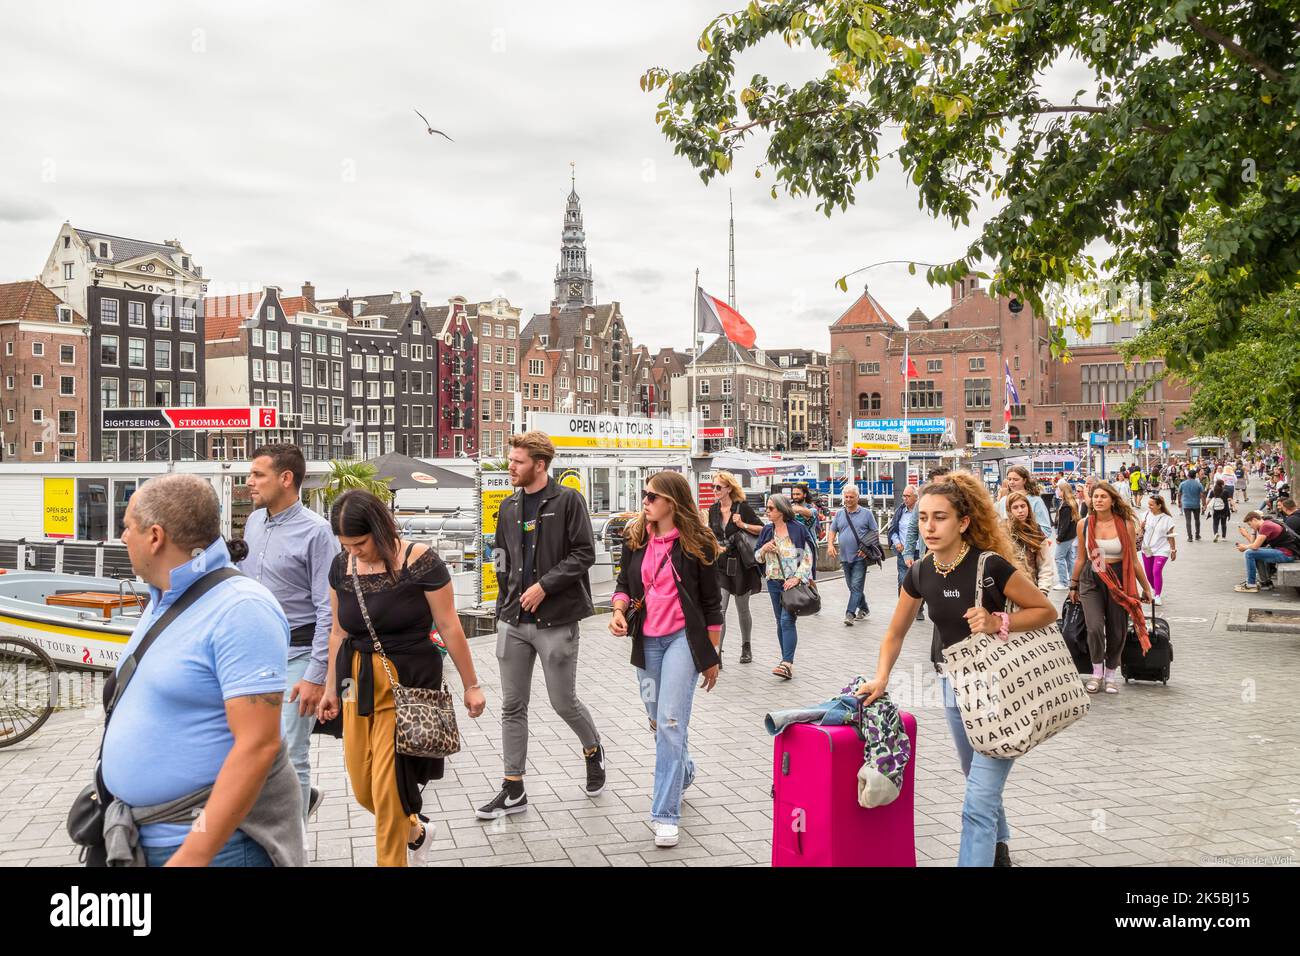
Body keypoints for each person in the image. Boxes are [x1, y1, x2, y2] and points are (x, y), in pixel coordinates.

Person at [856, 471, 1058, 867]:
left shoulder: (991, 566)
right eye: (924, 517)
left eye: (940, 517)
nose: (929, 526)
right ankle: (999, 846)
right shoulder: (920, 572)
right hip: (951, 685)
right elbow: (895, 633)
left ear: (963, 522)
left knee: (976, 804)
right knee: (972, 772)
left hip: (1000, 689)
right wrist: (881, 676)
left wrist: (1000, 621)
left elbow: (1045, 611)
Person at [104, 473, 303, 867]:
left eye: (127, 527)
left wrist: (193, 854)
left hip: (217, 852)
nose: (123, 538)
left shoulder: (241, 609)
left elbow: (258, 744)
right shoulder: (163, 599)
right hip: (150, 839)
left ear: (155, 536)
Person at [317, 490, 484, 867]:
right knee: (364, 788)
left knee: (389, 790)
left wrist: (472, 684)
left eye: (360, 543)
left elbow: (449, 625)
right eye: (347, 545)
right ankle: (417, 832)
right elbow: (338, 632)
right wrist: (329, 688)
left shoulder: (421, 561)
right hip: (355, 681)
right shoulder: (340, 566)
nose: (354, 551)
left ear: (379, 528)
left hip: (407, 682)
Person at [477, 430, 605, 820]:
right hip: (513, 621)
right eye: (510, 460)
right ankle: (513, 787)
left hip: (556, 620)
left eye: (517, 461)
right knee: (512, 705)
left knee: (562, 702)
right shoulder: (510, 506)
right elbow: (499, 556)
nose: (510, 467)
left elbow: (585, 553)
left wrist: (544, 587)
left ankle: (593, 747)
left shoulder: (567, 501)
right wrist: (504, 604)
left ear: (540, 464)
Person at [609, 471, 723, 849]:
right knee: (659, 721)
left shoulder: (698, 544)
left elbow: (711, 605)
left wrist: (711, 656)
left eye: (652, 496)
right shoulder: (636, 537)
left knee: (672, 724)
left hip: (682, 642)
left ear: (672, 502)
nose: (645, 500)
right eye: (644, 494)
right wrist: (618, 610)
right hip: (647, 642)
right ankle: (683, 770)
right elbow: (625, 584)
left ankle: (665, 815)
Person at [241, 443, 338, 823]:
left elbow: (328, 609)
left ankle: (292, 849)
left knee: (290, 752)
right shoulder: (252, 523)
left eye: (257, 475)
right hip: (255, 655)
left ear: (286, 479)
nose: (249, 482)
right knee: (255, 748)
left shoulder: (317, 532)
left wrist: (317, 675)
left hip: (298, 654)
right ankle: (289, 811)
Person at [1068, 481, 1155, 695]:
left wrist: (1146, 588)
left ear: (1112, 500)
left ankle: (1110, 675)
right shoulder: (1084, 524)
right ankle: (1097, 672)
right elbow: (1080, 559)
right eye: (1095, 496)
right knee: (1095, 626)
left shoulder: (1124, 524)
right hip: (1092, 577)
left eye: (1103, 497)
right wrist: (1073, 584)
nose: (1098, 500)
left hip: (1118, 578)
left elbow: (1134, 561)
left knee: (1117, 630)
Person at [705, 470, 763, 665]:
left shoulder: (742, 508)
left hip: (740, 566)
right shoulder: (713, 510)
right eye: (713, 487)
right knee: (720, 609)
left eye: (718, 487)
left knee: (742, 609)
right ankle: (717, 652)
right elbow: (711, 535)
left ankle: (746, 646)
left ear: (729, 488)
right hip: (720, 564)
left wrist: (743, 524)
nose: (715, 490)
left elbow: (763, 529)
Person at [755, 493, 816, 681]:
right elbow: (756, 557)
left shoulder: (797, 529)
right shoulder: (767, 530)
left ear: (781, 510)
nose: (768, 511)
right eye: (767, 508)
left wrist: (798, 578)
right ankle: (785, 662)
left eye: (771, 508)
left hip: (792, 582)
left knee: (786, 621)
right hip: (773, 581)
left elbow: (807, 556)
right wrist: (764, 549)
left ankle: (787, 662)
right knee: (779, 621)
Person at [827, 484, 880, 625]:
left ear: (857, 497)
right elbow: (832, 531)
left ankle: (850, 613)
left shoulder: (867, 513)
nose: (849, 499)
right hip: (844, 557)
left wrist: (866, 548)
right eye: (846, 497)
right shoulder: (839, 514)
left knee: (856, 586)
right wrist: (830, 545)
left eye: (852, 497)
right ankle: (864, 608)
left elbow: (875, 532)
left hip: (860, 557)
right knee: (852, 587)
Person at [1232, 510, 1300, 593]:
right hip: (1285, 552)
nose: (1250, 527)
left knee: (1249, 553)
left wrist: (1244, 547)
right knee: (1255, 553)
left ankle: (1251, 585)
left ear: (1254, 520)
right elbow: (1256, 546)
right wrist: (1253, 531)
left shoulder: (1266, 526)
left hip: (1286, 554)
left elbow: (1255, 546)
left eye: (1250, 524)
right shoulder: (1267, 523)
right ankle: (1266, 583)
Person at [1003, 491, 1055, 593]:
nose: (1020, 510)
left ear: (1028, 507)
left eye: (1023, 506)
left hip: (1032, 587)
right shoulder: (1003, 532)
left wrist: (1043, 590)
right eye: (1015, 507)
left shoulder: (1036, 531)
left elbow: (1045, 564)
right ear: (1009, 510)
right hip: (1010, 588)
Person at [888, 484, 924, 621]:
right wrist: (897, 542)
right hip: (903, 552)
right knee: (903, 580)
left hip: (919, 552)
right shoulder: (900, 511)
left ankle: (919, 609)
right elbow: (893, 529)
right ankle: (903, 609)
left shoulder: (922, 511)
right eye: (904, 495)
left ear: (916, 497)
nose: (905, 499)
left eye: (908, 496)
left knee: (919, 582)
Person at [995, 466, 1054, 540]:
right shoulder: (1004, 500)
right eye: (1009, 479)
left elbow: (1046, 530)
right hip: (1008, 546)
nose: (1011, 482)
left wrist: (1027, 539)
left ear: (1024, 480)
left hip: (1028, 546)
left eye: (1016, 479)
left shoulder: (1036, 501)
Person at [1139, 496, 1178, 607]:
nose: (1149, 506)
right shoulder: (1145, 515)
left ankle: (1157, 596)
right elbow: (1139, 532)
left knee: (1156, 571)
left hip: (1162, 549)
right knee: (1149, 575)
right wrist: (1141, 527)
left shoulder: (1167, 519)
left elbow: (1171, 536)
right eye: (1149, 504)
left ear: (1159, 505)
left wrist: (1173, 550)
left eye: (1152, 504)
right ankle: (1155, 588)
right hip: (1147, 548)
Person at [1054, 480, 1080, 590]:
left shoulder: (1065, 506)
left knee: (1058, 558)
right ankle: (1073, 580)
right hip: (1071, 535)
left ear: (1063, 492)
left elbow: (1064, 525)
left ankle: (1063, 582)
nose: (1056, 491)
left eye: (1058, 490)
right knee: (1070, 558)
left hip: (1065, 537)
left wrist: (1060, 537)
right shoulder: (1072, 503)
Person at [1178, 470, 1207, 541]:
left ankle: (1190, 537)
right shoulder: (1198, 484)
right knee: (1197, 520)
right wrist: (1204, 504)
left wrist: (1179, 502)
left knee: (1188, 521)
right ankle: (1197, 535)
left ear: (1188, 475)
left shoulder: (1183, 483)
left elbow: (1179, 493)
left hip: (1186, 504)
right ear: (1195, 476)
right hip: (1196, 504)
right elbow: (1202, 495)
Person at [1205, 478, 1234, 542]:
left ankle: (1216, 533)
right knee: (1223, 523)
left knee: (1215, 523)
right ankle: (1223, 537)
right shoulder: (1226, 491)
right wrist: (1233, 506)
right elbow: (1230, 499)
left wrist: (1205, 506)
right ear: (1222, 485)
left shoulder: (1213, 491)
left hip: (1216, 509)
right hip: (1224, 509)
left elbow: (1208, 500)